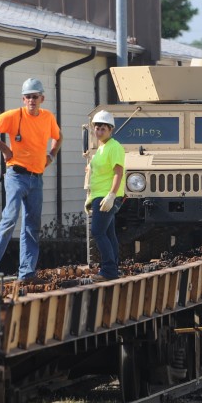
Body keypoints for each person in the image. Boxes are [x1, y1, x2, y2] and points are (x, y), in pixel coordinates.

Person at [0, 78, 62, 281]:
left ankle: (26, 272)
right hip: (16, 175)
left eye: (35, 97)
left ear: (42, 98)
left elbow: (58, 137)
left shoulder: (48, 117)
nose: (32, 100)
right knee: (10, 216)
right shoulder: (15, 116)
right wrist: (5, 149)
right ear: (23, 99)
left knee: (32, 226)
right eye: (28, 97)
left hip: (36, 178)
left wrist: (51, 156)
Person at [85, 109, 125, 280]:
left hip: (107, 196)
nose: (99, 131)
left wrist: (111, 195)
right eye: (97, 127)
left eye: (103, 128)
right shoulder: (101, 149)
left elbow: (118, 172)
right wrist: (89, 199)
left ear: (111, 130)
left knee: (97, 232)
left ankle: (108, 271)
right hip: (99, 196)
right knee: (108, 234)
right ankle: (113, 268)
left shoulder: (114, 147)